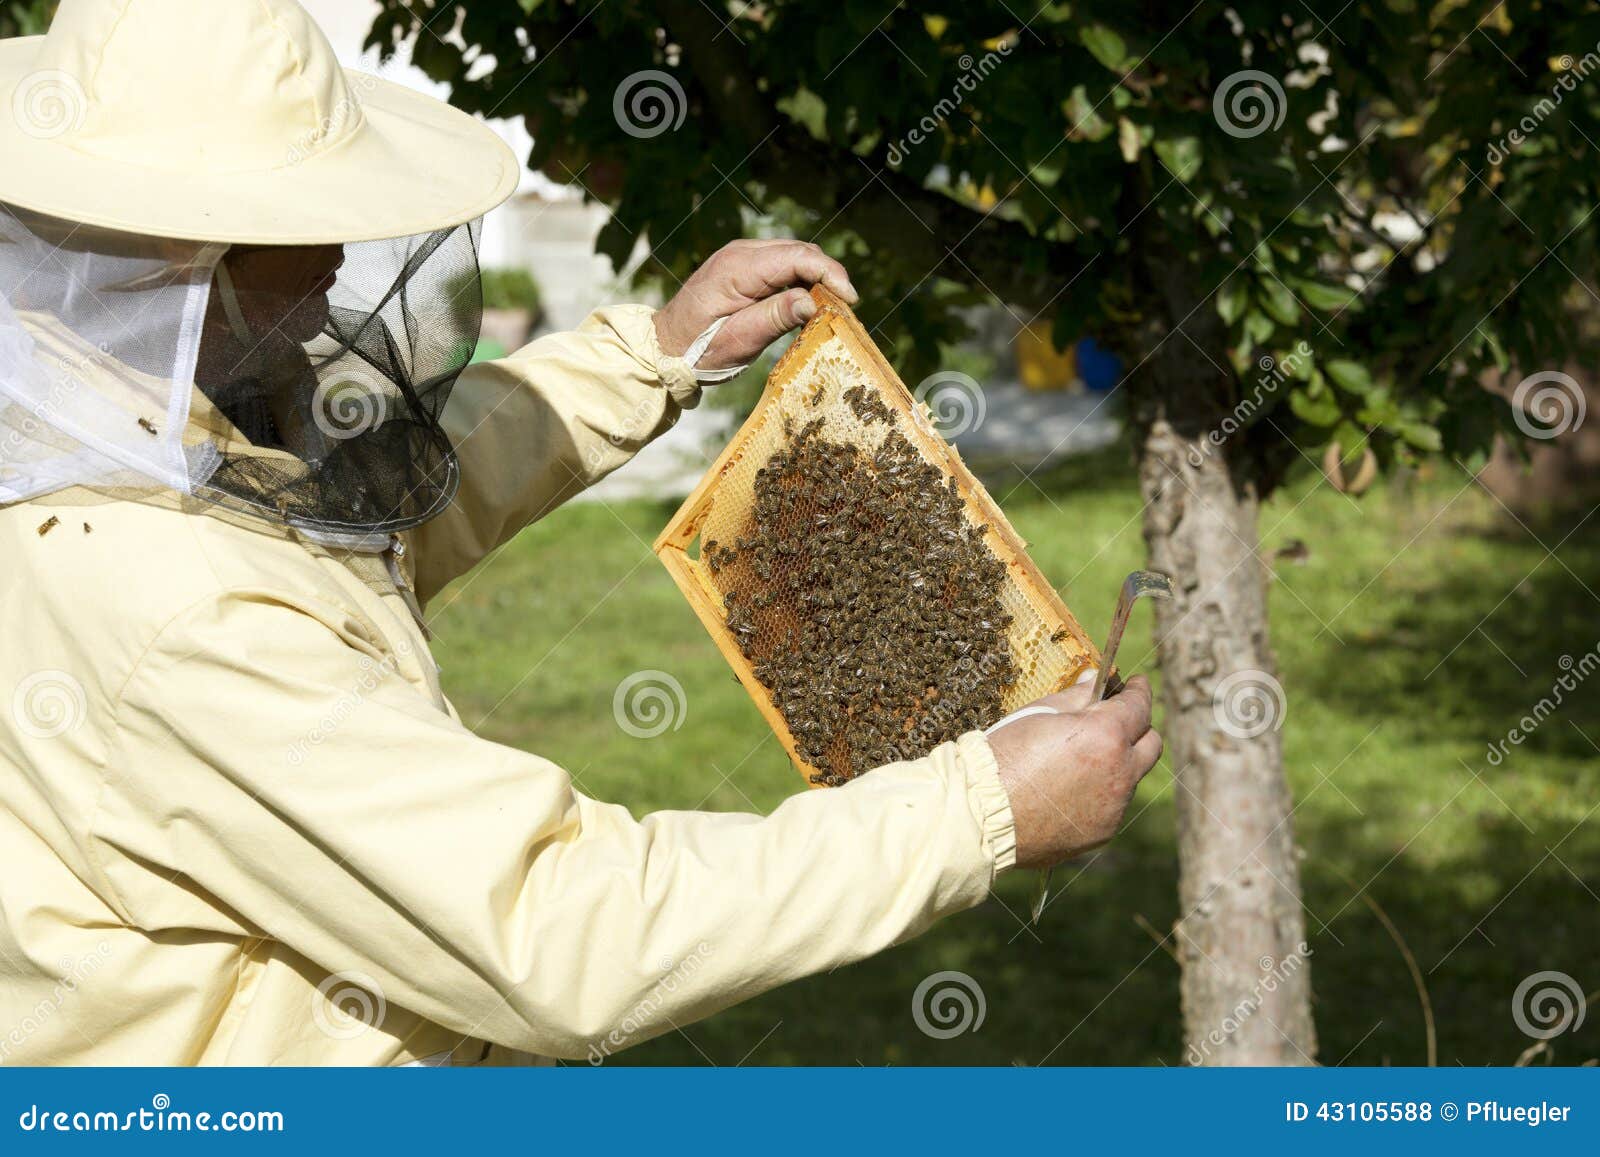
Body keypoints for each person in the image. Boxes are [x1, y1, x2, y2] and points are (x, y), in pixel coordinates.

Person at [0, 0, 1161, 1065]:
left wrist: (652, 353)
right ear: (183, 257)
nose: (343, 260)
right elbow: (563, 930)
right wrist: (978, 808)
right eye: (303, 229)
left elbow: (368, 514)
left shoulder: (115, 419)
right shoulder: (175, 612)